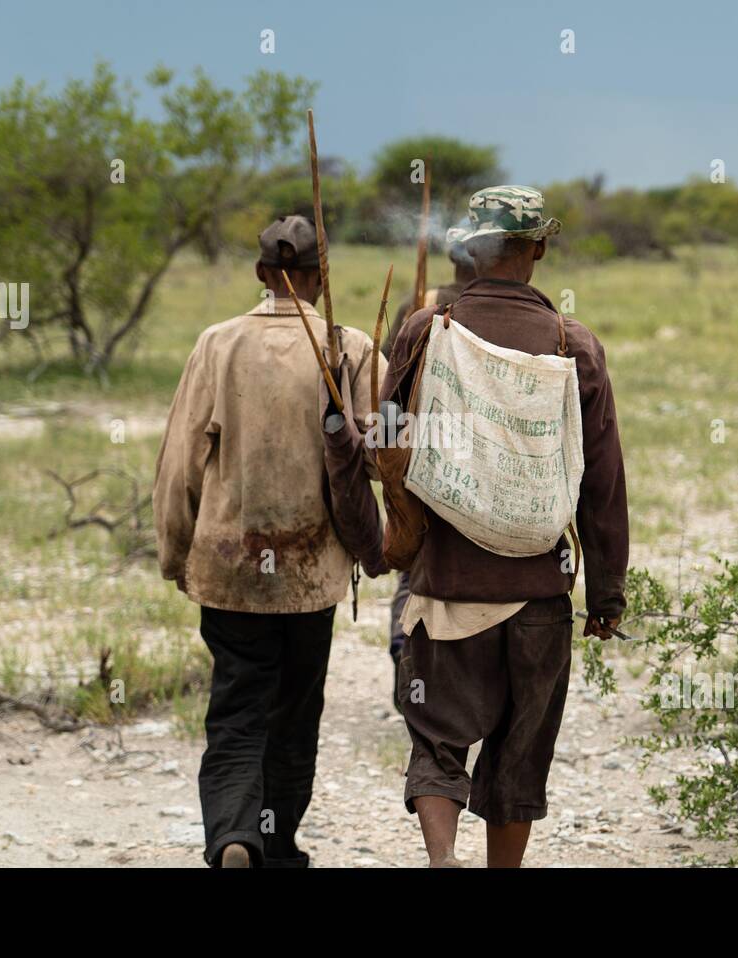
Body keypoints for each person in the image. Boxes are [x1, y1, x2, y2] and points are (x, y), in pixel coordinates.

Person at [379, 186, 629, 867]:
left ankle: (440, 859)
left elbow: (388, 438)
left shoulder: (424, 330)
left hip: (445, 590)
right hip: (537, 599)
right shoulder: (573, 343)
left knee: (436, 742)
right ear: (538, 250)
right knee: (518, 762)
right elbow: (601, 484)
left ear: (471, 251)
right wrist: (605, 595)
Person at [152, 215, 375, 868]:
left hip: (231, 571)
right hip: (311, 577)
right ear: (319, 277)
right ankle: (277, 845)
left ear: (259, 274)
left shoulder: (216, 344)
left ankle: (232, 837)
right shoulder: (351, 348)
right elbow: (394, 445)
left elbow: (179, 465)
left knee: (238, 713)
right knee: (295, 716)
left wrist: (174, 554)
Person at [380, 229, 478, 709]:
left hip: (425, 455)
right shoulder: (500, 309)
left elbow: (389, 392)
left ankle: (408, 651)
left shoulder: (419, 305)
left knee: (416, 566)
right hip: (479, 460)